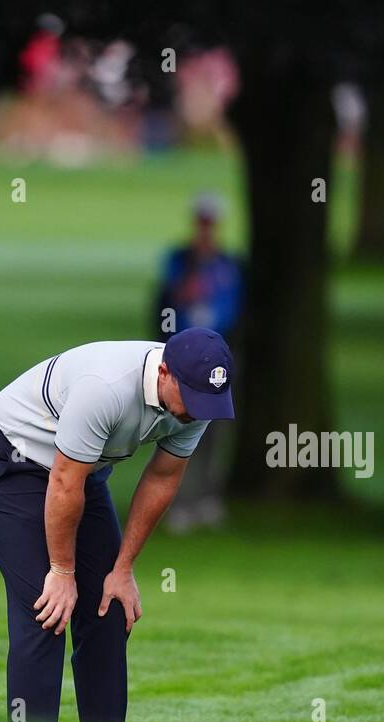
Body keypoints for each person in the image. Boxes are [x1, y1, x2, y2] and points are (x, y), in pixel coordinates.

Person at [0, 327, 234, 722]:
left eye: (208, 402)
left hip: (78, 474)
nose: (198, 411)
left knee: (111, 610)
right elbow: (63, 483)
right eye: (193, 398)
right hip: (8, 464)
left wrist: (122, 570)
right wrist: (62, 572)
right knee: (47, 611)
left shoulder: (196, 404)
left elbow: (162, 479)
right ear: (165, 373)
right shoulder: (105, 388)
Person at [154, 193, 243, 530]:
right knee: (180, 430)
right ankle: (180, 504)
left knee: (216, 430)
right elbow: (168, 299)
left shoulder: (228, 265)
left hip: (219, 358)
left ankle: (208, 499)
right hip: (182, 360)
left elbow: (236, 309)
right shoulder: (180, 260)